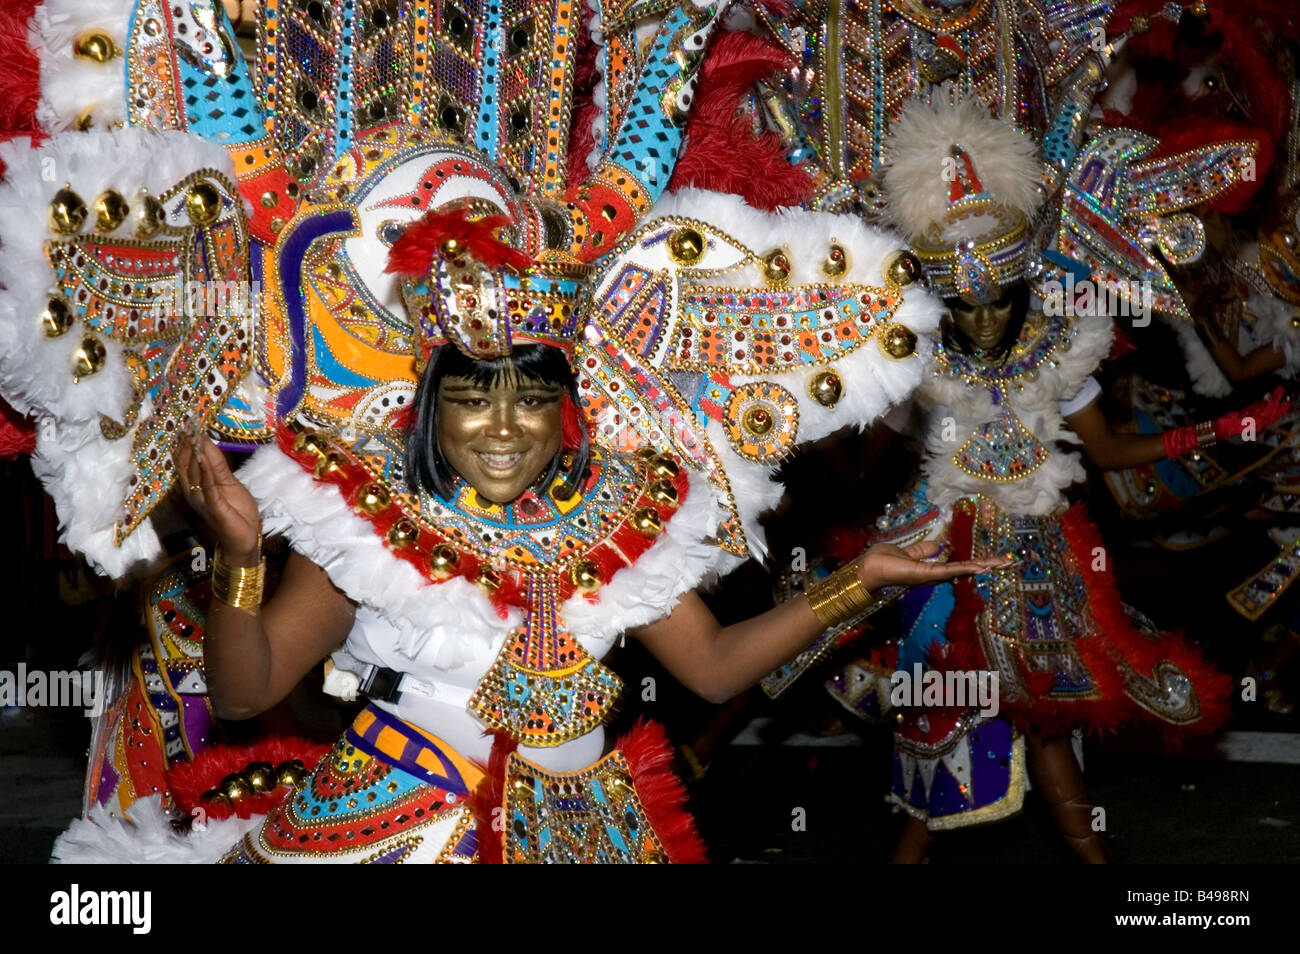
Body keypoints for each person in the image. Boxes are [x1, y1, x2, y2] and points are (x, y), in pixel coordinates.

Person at [168, 207, 1003, 864]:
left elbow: (712, 673)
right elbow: (244, 696)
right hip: (396, 825)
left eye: (529, 398)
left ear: (564, 408)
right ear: (431, 407)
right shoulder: (365, 510)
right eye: (469, 397)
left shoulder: (620, 513)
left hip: (580, 831)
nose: (501, 427)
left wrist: (856, 580)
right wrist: (242, 565)